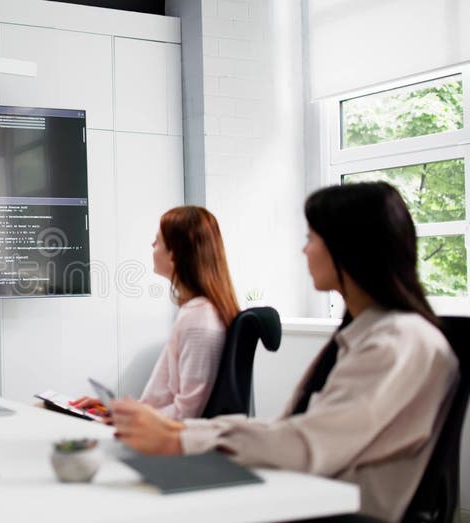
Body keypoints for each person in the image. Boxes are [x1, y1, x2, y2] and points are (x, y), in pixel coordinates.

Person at [108, 182, 458, 522]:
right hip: (313, 494)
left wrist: (181, 440)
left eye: (311, 238)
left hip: (337, 509)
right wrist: (179, 434)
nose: (304, 251)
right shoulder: (367, 335)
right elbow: (294, 428)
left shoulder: (395, 343)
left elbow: (307, 444)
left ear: (347, 249)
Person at [73, 206, 240, 420]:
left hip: (157, 434)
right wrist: (116, 409)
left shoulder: (199, 320)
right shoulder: (198, 312)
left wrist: (127, 420)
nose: (152, 245)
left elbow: (185, 414)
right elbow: (166, 404)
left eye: (158, 241)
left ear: (174, 254)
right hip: (151, 426)